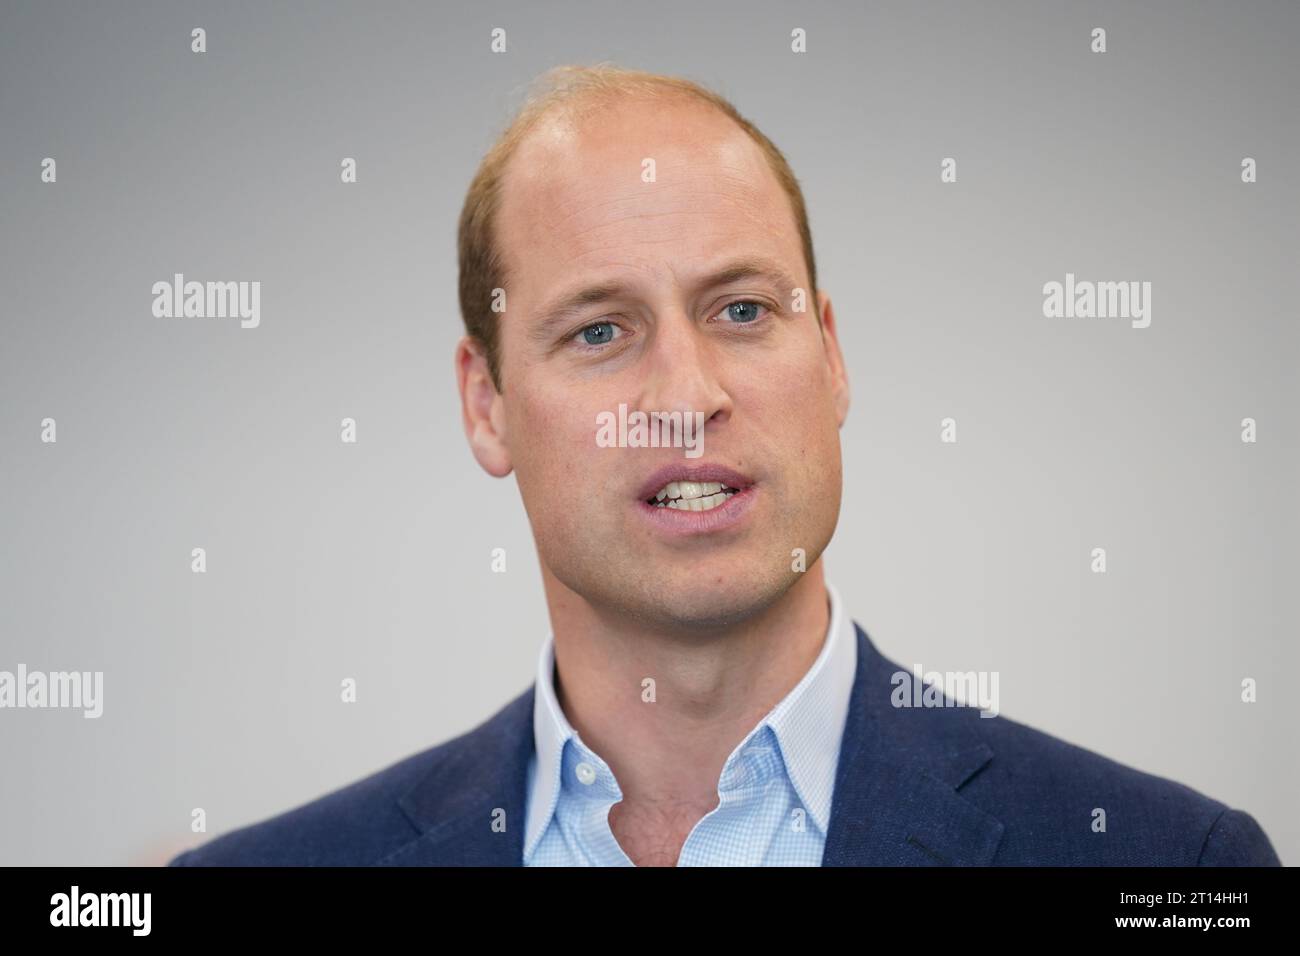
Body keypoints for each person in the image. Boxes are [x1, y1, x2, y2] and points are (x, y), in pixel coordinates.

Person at [169, 64, 1281, 867]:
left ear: (832, 356)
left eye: (742, 309)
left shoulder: (1174, 865)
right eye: (599, 330)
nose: (688, 393)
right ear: (486, 405)